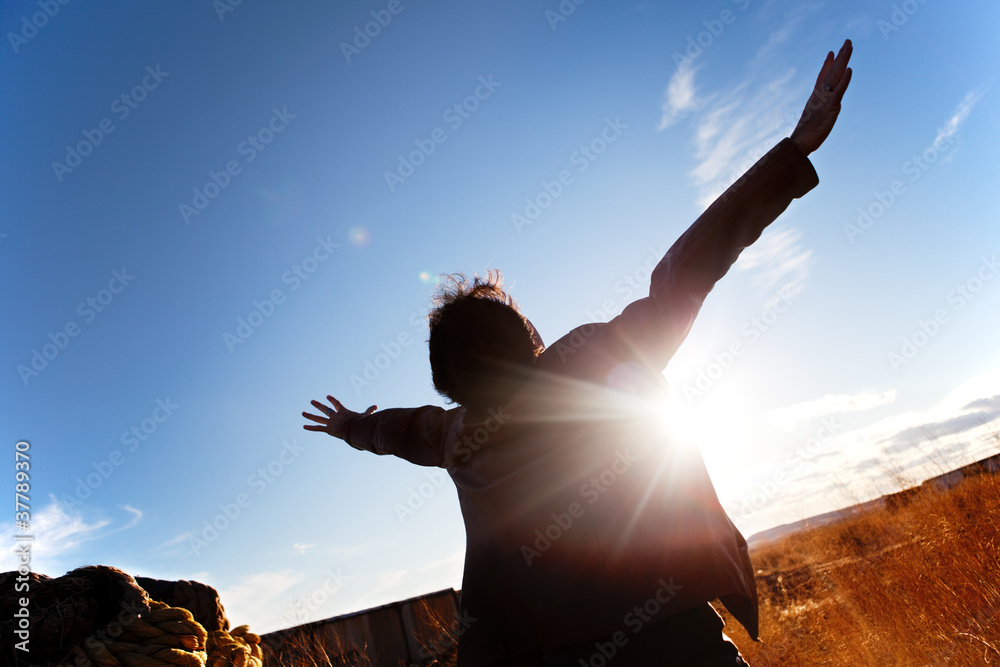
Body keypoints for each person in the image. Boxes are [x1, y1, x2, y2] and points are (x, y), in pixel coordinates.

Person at [304, 40, 853, 667]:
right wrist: (794, 151)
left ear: (449, 381)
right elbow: (687, 270)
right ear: (526, 340)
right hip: (671, 633)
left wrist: (351, 426)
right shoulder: (591, 360)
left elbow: (399, 430)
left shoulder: (455, 436)